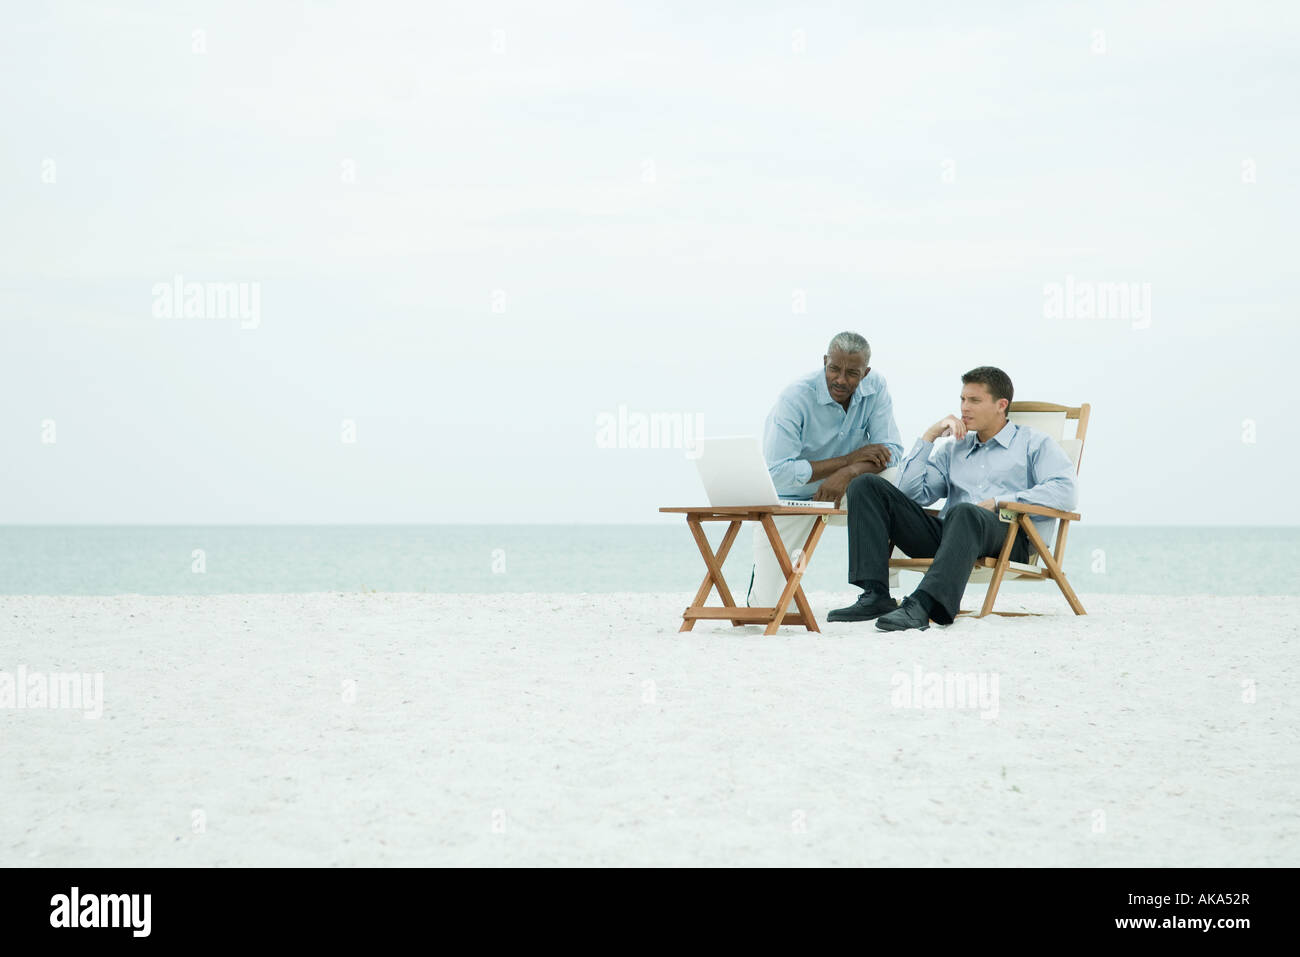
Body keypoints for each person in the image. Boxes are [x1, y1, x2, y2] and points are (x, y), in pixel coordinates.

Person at [827, 365, 1077, 631]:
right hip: (950, 536)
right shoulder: (955, 448)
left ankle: (923, 604)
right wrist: (929, 437)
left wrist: (999, 501)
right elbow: (910, 494)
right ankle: (875, 594)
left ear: (1001, 405)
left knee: (965, 511)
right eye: (962, 399)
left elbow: (1065, 491)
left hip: (1008, 536)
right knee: (867, 485)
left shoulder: (1033, 443)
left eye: (974, 400)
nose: (964, 408)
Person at [747, 331, 903, 607]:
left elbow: (891, 452)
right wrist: (846, 461)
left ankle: (878, 590)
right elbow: (777, 473)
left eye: (852, 373)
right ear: (824, 362)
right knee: (766, 607)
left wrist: (849, 473)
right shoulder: (794, 398)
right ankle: (763, 595)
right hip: (790, 498)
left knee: (895, 480)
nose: (841, 380)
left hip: (846, 493)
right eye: (834, 369)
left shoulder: (876, 386)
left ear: (865, 372)